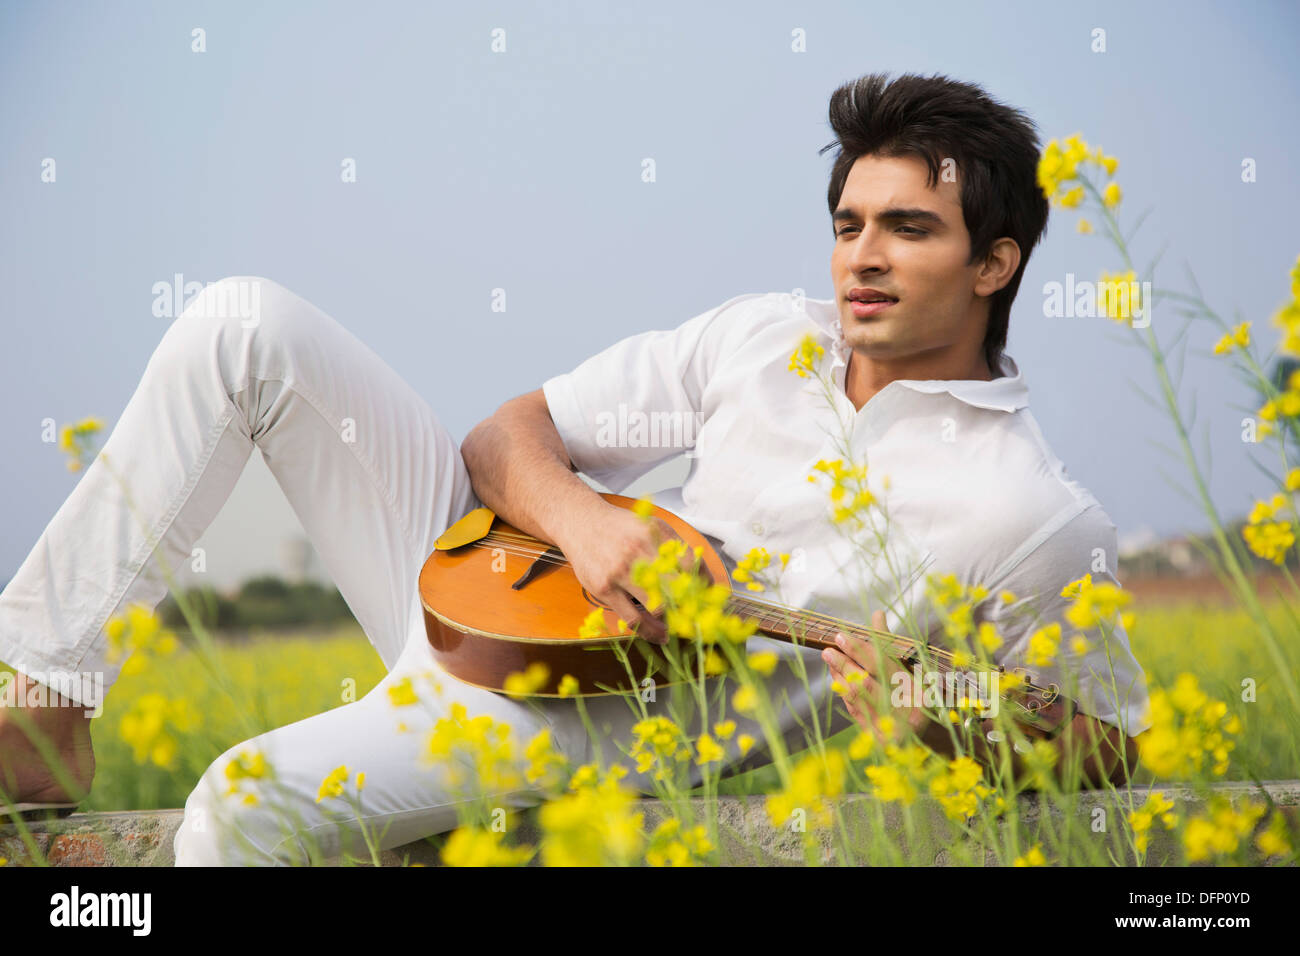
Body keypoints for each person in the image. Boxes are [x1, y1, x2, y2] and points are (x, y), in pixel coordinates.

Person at [0, 71, 1149, 865]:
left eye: (907, 228)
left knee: (239, 805)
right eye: (848, 222)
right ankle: (40, 695)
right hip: (495, 582)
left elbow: (1111, 745)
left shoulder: (1032, 510)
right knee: (242, 324)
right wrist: (588, 526)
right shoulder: (765, 335)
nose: (861, 255)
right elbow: (506, 437)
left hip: (591, 724)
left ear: (994, 261)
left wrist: (939, 707)